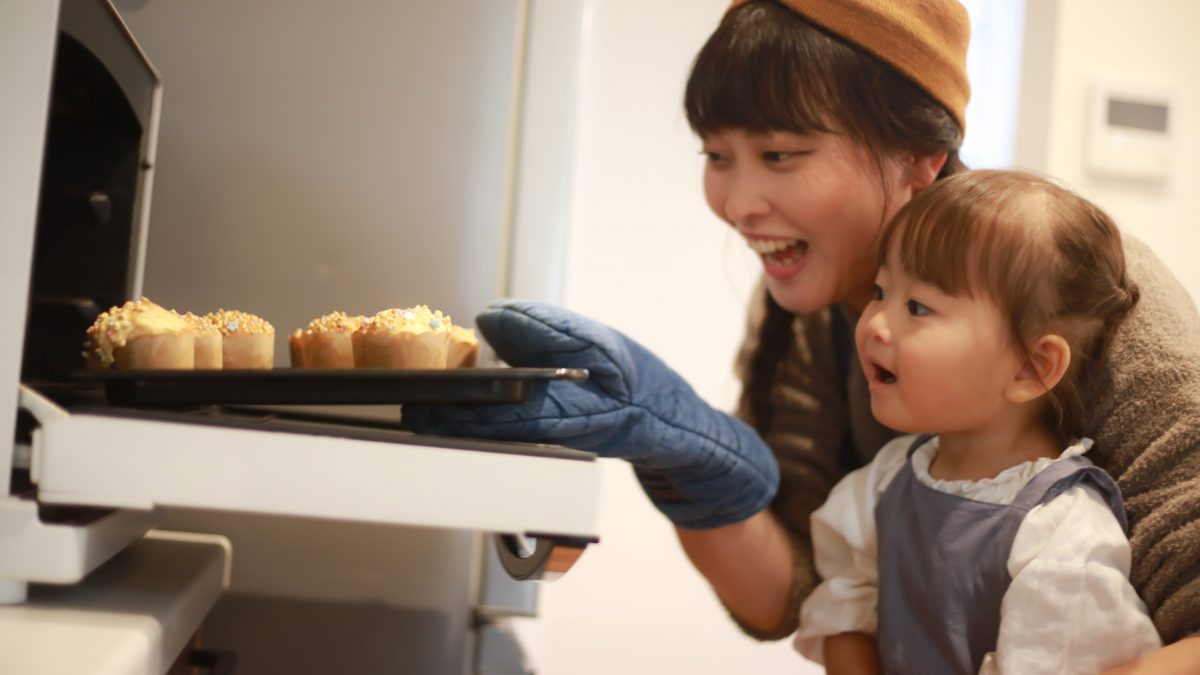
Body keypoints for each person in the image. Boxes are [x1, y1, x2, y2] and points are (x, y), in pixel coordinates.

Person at [403, 0, 1200, 669]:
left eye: (780, 154)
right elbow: (793, 592)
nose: (738, 202)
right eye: (717, 155)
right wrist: (684, 457)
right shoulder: (812, 308)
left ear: (920, 158)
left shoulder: (1091, 301)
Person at [792, 168, 1161, 674]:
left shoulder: (1060, 531)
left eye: (917, 306)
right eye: (880, 293)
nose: (876, 323)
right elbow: (846, 607)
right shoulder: (888, 478)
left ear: (1032, 368)